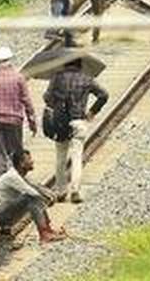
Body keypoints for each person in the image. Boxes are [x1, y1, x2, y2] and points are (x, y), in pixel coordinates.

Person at [43, 58, 109, 203]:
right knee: (77, 157)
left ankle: (60, 191)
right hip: (79, 121)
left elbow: (46, 97)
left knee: (60, 157)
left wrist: (57, 104)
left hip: (60, 123)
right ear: (80, 64)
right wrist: (92, 112)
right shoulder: (86, 78)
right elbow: (104, 95)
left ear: (65, 63)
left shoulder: (57, 78)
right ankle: (75, 190)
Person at [0, 148, 67, 243]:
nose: (32, 161)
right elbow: (31, 192)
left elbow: (36, 186)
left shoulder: (20, 174)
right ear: (21, 163)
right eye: (29, 159)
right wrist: (48, 199)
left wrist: (50, 194)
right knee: (30, 198)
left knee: (34, 198)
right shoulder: (12, 177)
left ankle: (48, 230)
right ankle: (44, 234)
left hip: (5, 212)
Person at [0, 46, 37, 177]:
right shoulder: (18, 77)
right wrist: (32, 121)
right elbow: (27, 101)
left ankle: (2, 180)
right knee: (16, 153)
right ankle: (15, 179)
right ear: (10, 59)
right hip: (15, 121)